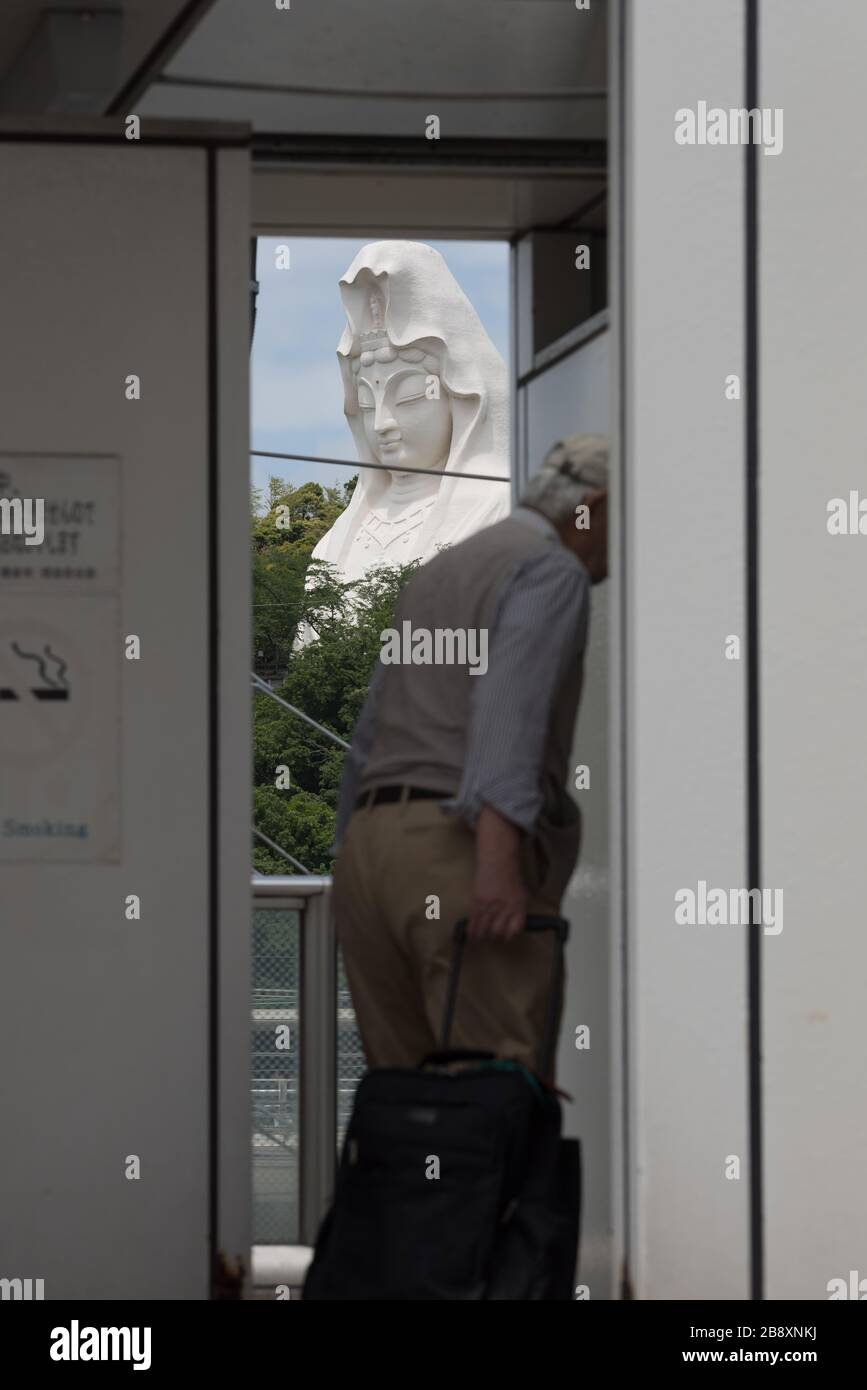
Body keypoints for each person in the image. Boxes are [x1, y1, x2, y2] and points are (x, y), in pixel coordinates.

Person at [331, 434, 609, 1080]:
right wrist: (496, 858)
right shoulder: (550, 570)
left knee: (402, 1096)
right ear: (591, 506)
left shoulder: (442, 572)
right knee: (489, 1097)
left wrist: (351, 856)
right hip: (458, 848)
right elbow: (506, 710)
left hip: (371, 857)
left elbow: (369, 733)